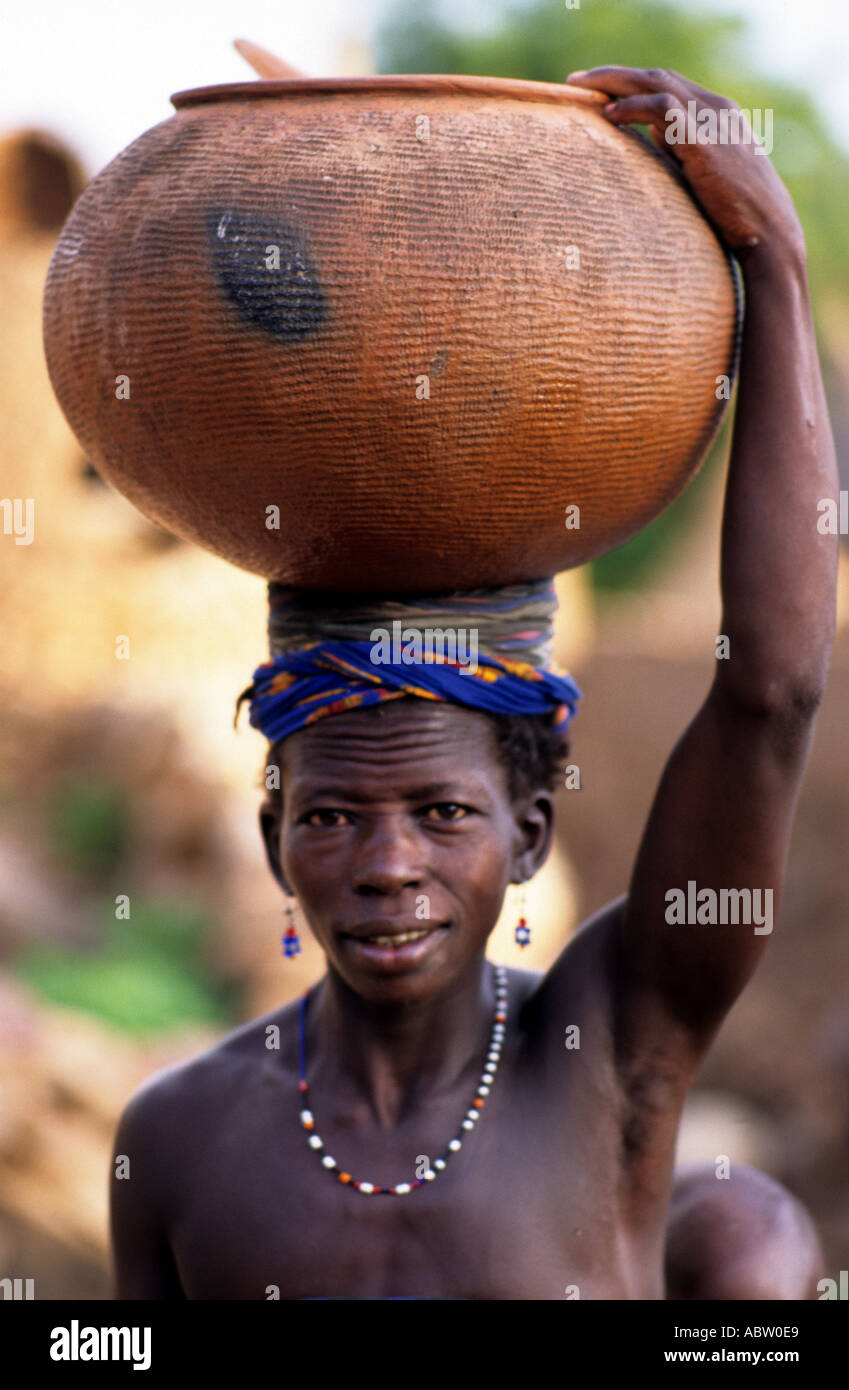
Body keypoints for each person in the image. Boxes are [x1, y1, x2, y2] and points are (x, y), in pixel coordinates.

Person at [109, 66, 836, 1300]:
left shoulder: (614, 1053)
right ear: (270, 833)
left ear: (533, 830)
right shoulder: (178, 1142)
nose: (390, 866)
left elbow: (768, 695)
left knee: (752, 1236)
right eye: (332, 815)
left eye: (444, 814)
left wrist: (775, 258)